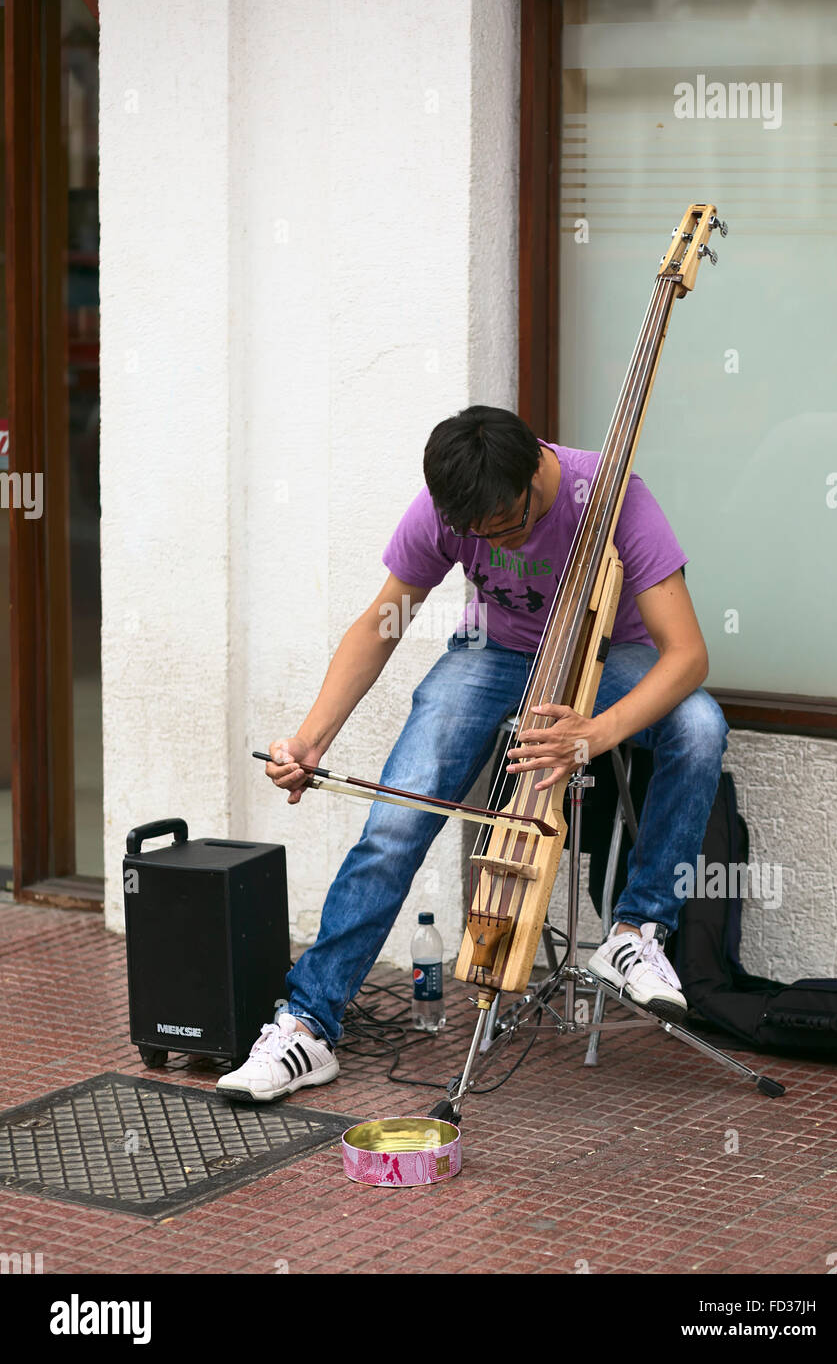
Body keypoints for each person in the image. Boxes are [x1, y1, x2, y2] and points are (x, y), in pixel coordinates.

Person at [217, 406, 727, 1102]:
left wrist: (594, 735)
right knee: (394, 823)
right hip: (495, 652)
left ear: (532, 477)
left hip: (609, 656)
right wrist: (312, 739)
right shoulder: (442, 511)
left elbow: (688, 656)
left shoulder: (612, 497)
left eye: (505, 526)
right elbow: (381, 623)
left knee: (699, 728)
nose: (486, 539)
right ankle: (306, 1025)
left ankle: (636, 930)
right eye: (472, 532)